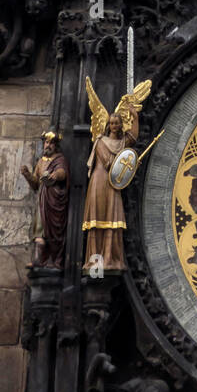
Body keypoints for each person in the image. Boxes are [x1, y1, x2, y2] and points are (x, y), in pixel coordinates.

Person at [83, 108, 135, 272]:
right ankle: (95, 262)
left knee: (113, 219)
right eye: (111, 123)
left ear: (121, 125)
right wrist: (129, 165)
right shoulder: (100, 142)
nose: (113, 125)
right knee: (97, 218)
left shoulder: (121, 143)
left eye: (117, 123)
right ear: (108, 125)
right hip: (100, 181)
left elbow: (133, 137)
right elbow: (109, 163)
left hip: (113, 184)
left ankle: (111, 259)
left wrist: (135, 116)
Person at [21, 131, 69, 269]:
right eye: (46, 142)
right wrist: (27, 175)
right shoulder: (41, 162)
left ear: (56, 146)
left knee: (53, 231)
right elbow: (36, 184)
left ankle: (53, 260)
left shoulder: (59, 159)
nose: (48, 145)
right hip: (42, 200)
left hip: (54, 200)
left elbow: (63, 172)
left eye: (51, 143)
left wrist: (55, 175)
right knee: (39, 231)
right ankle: (38, 261)